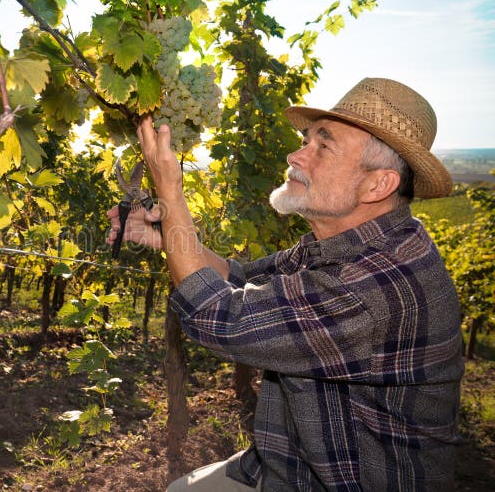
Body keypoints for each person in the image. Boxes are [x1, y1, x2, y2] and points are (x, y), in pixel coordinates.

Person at [107, 78, 464, 491]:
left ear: (378, 184)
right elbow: (241, 281)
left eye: (323, 146)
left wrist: (169, 189)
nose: (296, 155)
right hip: (288, 465)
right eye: (305, 140)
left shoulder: (377, 284)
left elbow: (216, 315)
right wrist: (168, 236)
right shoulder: (345, 244)